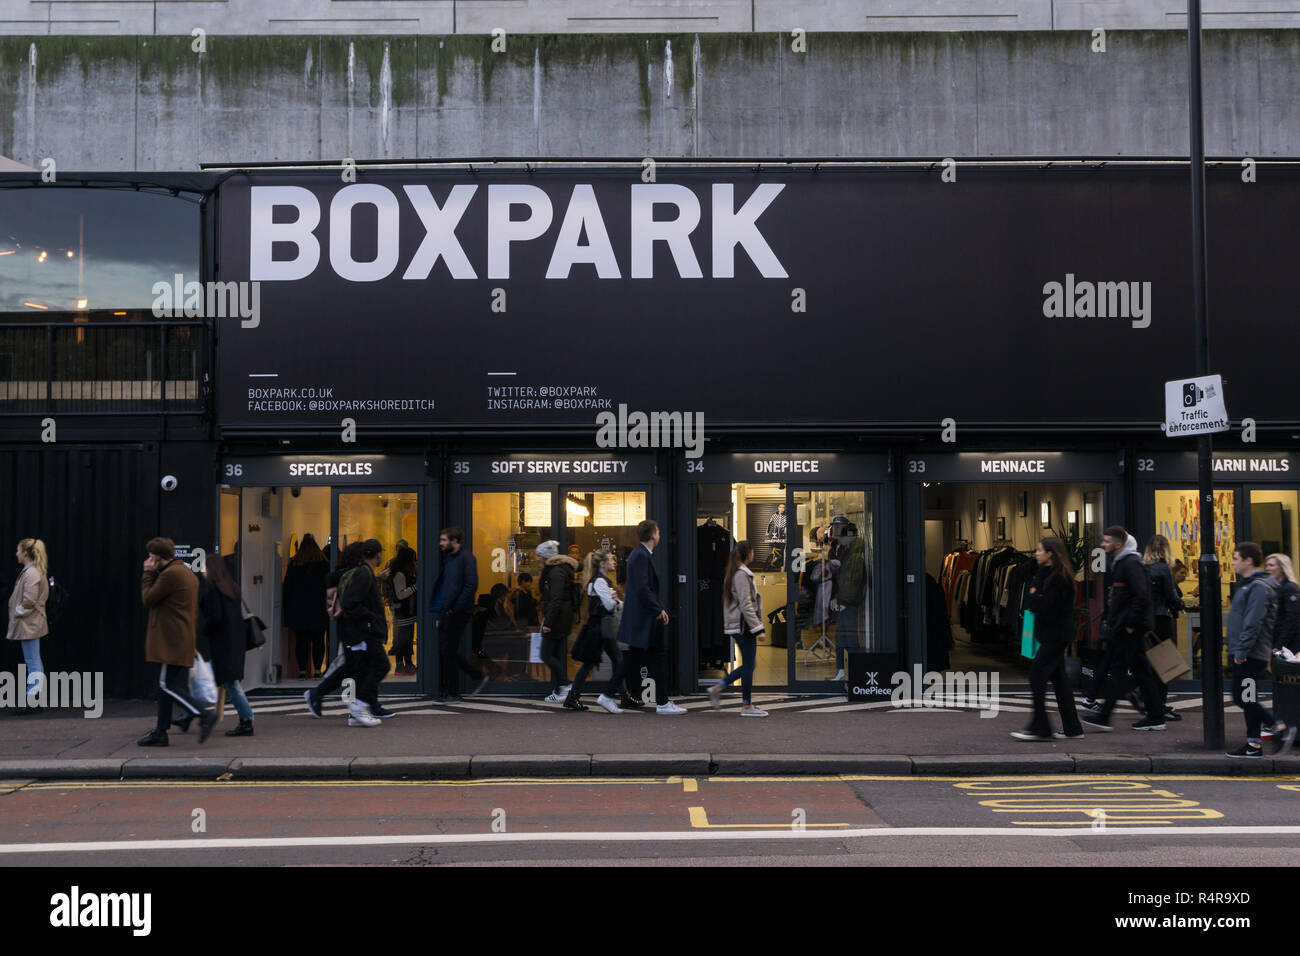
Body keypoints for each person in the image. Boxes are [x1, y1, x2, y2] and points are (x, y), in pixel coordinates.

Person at [1081, 525, 1167, 733]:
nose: (1103, 545)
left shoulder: (1129, 565)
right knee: (1142, 671)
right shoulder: (1123, 564)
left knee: (1118, 670)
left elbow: (1141, 597)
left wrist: (1129, 624)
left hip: (1127, 629)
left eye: (1106, 541)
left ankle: (1105, 715)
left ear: (1118, 544)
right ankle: (1156, 715)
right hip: (1126, 627)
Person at [138, 537, 216, 746]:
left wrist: (147, 573)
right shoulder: (184, 572)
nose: (148, 559)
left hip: (170, 640)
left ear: (156, 557)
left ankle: (202, 714)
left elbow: (148, 598)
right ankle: (161, 732)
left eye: (150, 556)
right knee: (166, 685)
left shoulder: (171, 575)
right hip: (179, 638)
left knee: (166, 685)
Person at [1010, 537, 1083, 741]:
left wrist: (1034, 598)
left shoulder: (1059, 578)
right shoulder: (1046, 575)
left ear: (1050, 553)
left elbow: (1047, 609)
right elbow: (1040, 602)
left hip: (1055, 635)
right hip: (1052, 635)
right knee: (1060, 682)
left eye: (1040, 550)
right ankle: (1073, 727)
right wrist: (1036, 597)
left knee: (1037, 676)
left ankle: (1040, 727)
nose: (1036, 553)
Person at [1226, 543, 1294, 757]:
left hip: (1250, 654)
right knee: (1248, 698)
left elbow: (1253, 622)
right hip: (1245, 652)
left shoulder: (1259, 587)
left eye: (1236, 558)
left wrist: (1242, 651)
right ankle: (1253, 745)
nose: (1233, 562)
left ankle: (1277, 726)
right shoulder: (1248, 584)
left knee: (1243, 698)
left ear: (1248, 561)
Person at [619, 519, 686, 715]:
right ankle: (662, 703)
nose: (660, 535)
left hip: (646, 617)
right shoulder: (640, 556)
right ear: (653, 535)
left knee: (643, 658)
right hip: (645, 618)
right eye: (658, 532)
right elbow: (642, 589)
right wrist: (658, 609)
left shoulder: (642, 555)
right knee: (653, 658)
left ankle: (662, 701)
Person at [197, 552, 256, 737]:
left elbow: (215, 618)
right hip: (234, 643)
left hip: (223, 645)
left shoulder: (214, 592)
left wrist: (204, 629)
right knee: (212, 679)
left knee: (231, 685)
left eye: (204, 567)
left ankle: (247, 720)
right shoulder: (232, 588)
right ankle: (192, 712)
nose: (202, 570)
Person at [304, 541, 364, 718]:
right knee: (355, 665)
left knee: (351, 664)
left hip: (343, 623)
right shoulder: (353, 575)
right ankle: (356, 704)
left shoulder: (334, 575)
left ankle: (353, 703)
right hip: (355, 625)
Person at [429, 527, 488, 703]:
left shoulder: (466, 558)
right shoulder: (450, 559)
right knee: (446, 651)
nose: (441, 543)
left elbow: (471, 585)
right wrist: (441, 614)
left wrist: (454, 608)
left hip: (458, 612)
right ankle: (473, 677)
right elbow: (447, 588)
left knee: (448, 651)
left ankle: (453, 693)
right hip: (447, 611)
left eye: (444, 540)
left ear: (454, 541)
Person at [709, 541, 768, 716]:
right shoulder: (741, 575)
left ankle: (719, 688)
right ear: (748, 554)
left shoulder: (735, 572)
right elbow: (746, 604)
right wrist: (758, 628)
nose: (754, 554)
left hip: (740, 625)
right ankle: (746, 706)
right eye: (753, 551)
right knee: (749, 666)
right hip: (744, 626)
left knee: (750, 664)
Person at [565, 549, 626, 714]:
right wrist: (614, 601)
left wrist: (614, 601)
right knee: (617, 661)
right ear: (602, 564)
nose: (614, 562)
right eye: (611, 560)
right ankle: (614, 695)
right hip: (600, 628)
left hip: (600, 627)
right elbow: (610, 605)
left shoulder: (602, 581)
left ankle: (573, 697)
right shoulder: (599, 582)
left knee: (610, 661)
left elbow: (618, 603)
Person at [338, 539, 391, 726]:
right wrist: (371, 618)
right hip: (366, 631)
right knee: (381, 666)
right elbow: (351, 603)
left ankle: (356, 713)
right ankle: (359, 705)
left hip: (364, 630)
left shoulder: (366, 573)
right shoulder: (364, 574)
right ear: (378, 555)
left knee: (364, 669)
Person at [7, 538, 50, 715]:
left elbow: (29, 601)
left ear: (25, 553)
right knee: (34, 661)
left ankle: (32, 700)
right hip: (30, 623)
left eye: (18, 550)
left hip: (29, 624)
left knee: (32, 662)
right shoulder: (32, 571)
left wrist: (18, 610)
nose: (16, 554)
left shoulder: (31, 573)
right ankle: (34, 698)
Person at [1143, 534, 1182, 723]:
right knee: (1164, 665)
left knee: (1150, 663)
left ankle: (1152, 703)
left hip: (1147, 620)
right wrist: (1181, 604)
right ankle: (1160, 704)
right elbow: (1170, 595)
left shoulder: (1144, 568)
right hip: (1162, 619)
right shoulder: (1164, 569)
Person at [282, 533, 330, 679]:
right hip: (319, 608)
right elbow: (329, 585)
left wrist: (287, 610)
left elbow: (287, 589)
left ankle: (302, 670)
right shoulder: (324, 564)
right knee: (318, 640)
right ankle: (317, 670)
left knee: (301, 641)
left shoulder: (295, 563)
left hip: (299, 610)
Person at [538, 540, 580, 702]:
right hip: (561, 616)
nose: (537, 558)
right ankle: (559, 690)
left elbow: (556, 598)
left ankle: (564, 685)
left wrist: (548, 622)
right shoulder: (557, 570)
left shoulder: (555, 572)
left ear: (546, 556)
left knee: (546, 654)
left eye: (539, 555)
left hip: (557, 618)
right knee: (556, 654)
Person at [387, 545, 419, 675]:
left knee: (407, 639)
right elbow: (400, 594)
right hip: (403, 612)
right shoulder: (400, 574)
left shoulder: (404, 572)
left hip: (406, 612)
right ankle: (401, 665)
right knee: (404, 639)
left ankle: (408, 663)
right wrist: (415, 587)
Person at [1266, 553, 1300, 655]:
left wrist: (1279, 645)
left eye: (1271, 565)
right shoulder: (1272, 588)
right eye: (1266, 565)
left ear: (1282, 568)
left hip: (1289, 645)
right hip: (1276, 641)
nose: (1267, 568)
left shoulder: (1290, 588)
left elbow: (1292, 619)